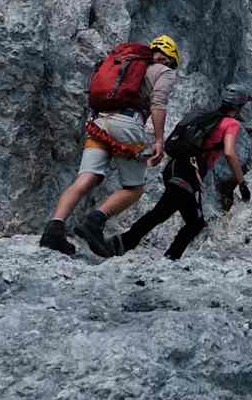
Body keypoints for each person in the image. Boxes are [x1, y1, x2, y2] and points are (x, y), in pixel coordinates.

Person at [39, 35, 179, 256]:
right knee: (134, 189)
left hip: (100, 121)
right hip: (126, 124)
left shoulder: (128, 64)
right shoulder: (165, 72)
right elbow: (158, 104)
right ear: (170, 59)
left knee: (85, 179)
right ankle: (93, 223)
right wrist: (160, 140)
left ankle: (54, 230)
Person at [97, 87, 252, 260]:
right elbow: (230, 152)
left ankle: (165, 255)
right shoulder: (231, 123)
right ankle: (125, 244)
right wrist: (242, 183)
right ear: (239, 105)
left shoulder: (206, 117)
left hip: (176, 167)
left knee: (193, 222)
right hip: (188, 173)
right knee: (163, 213)